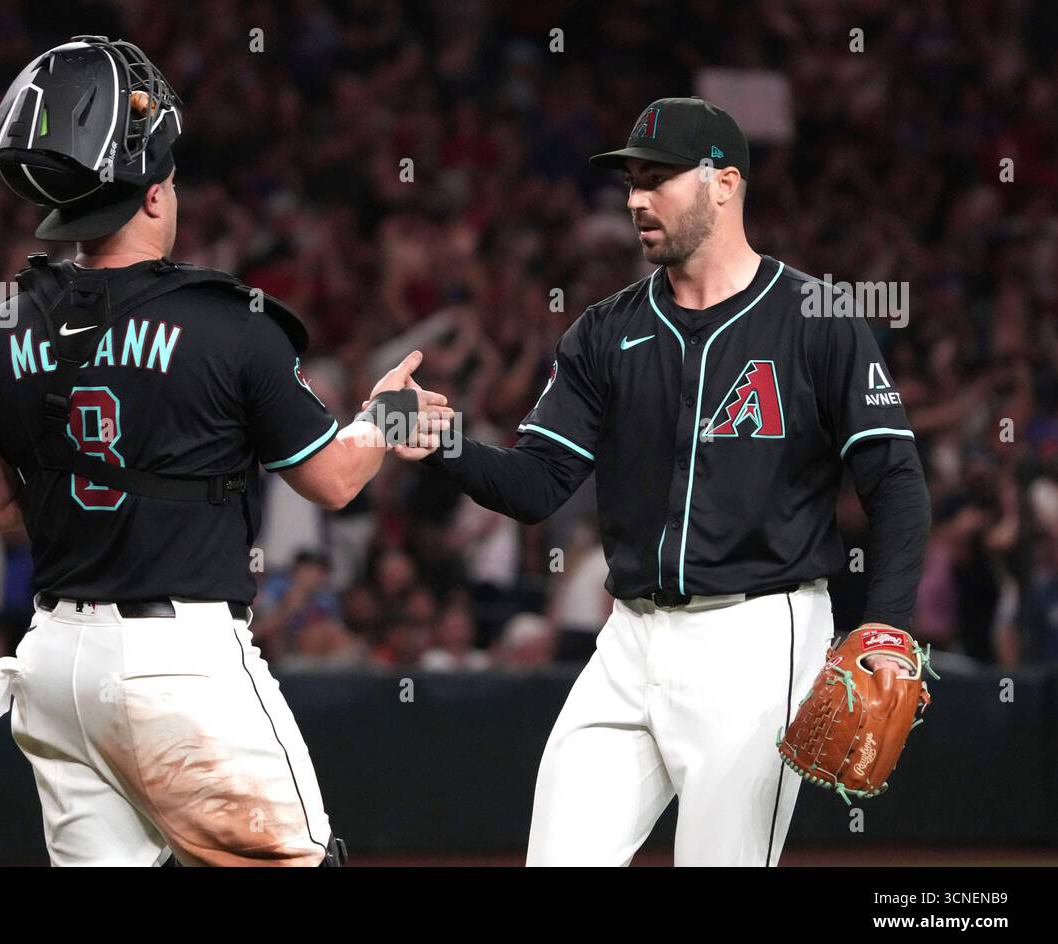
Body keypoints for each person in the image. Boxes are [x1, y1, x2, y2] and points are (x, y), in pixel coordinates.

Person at [0, 36, 451, 867]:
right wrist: (386, 417)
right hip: (176, 664)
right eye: (171, 175)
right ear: (152, 197)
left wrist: (84, 495)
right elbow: (330, 481)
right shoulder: (228, 324)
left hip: (51, 667)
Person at [399, 98, 930, 866]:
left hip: (759, 635)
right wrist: (441, 440)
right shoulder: (604, 330)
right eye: (631, 181)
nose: (636, 200)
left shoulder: (817, 316)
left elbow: (896, 482)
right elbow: (538, 484)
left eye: (660, 178)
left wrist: (887, 623)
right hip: (628, 639)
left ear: (725, 184)